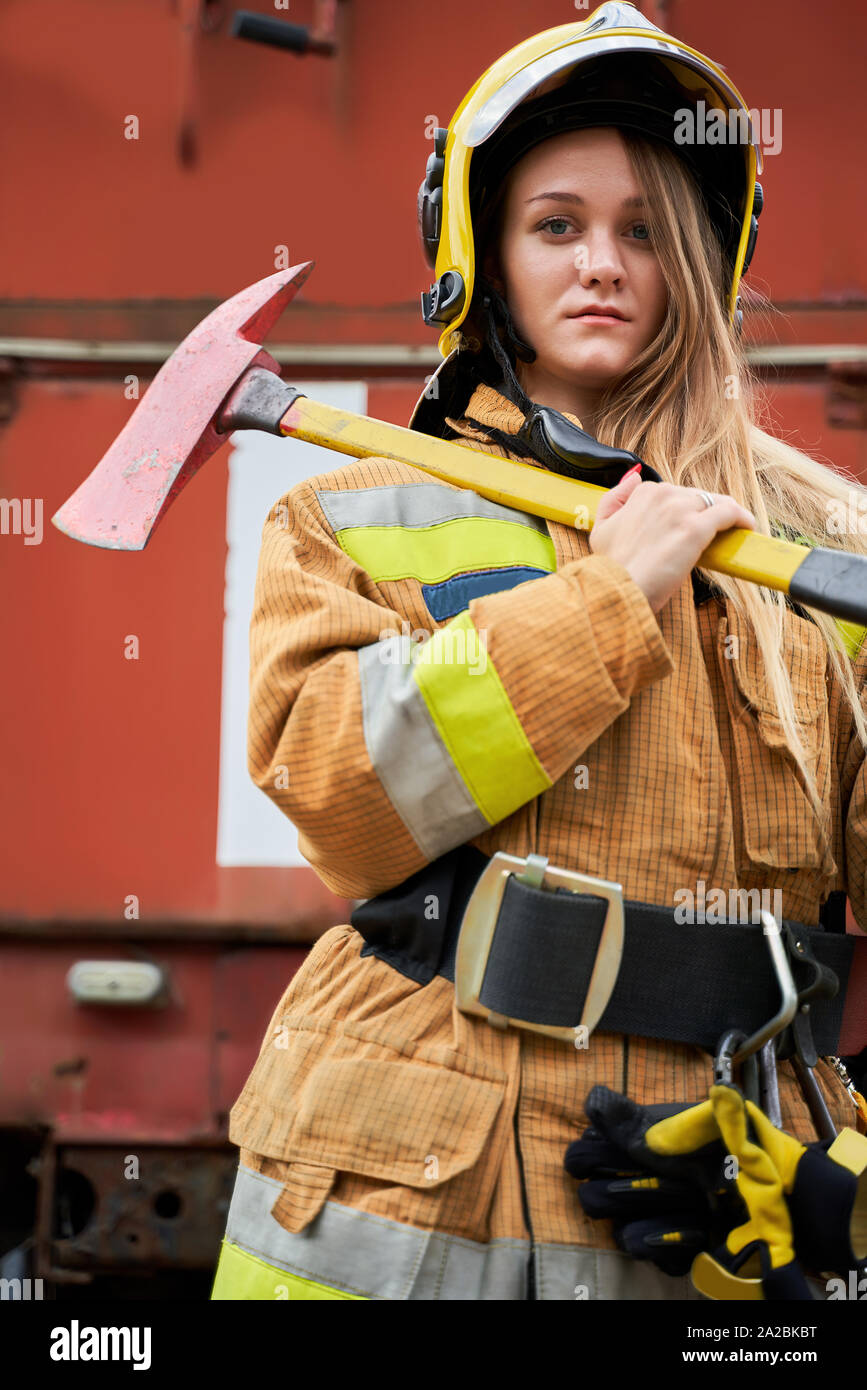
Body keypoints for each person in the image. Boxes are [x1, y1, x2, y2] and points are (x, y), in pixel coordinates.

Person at [210, 2, 867, 1301]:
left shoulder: (824, 546)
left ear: (699, 259)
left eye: (641, 229)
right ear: (484, 255)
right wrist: (607, 602)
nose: (602, 263)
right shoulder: (355, 514)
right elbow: (343, 798)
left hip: (714, 1199)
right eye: (556, 225)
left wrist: (845, 1178)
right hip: (394, 1188)